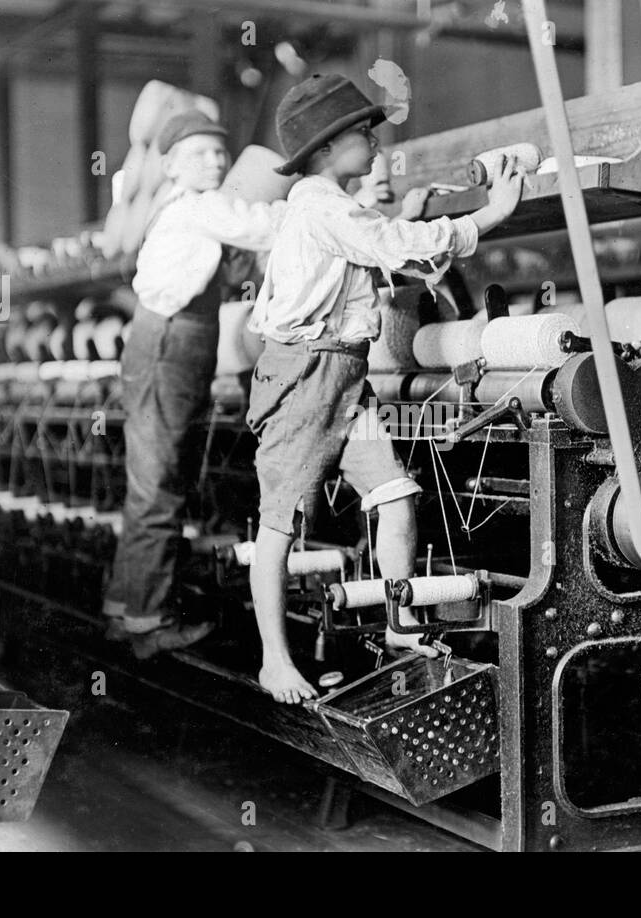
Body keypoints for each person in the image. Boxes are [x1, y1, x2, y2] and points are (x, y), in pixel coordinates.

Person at [246, 74, 523, 703]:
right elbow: (397, 245)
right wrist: (490, 215)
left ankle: (399, 622)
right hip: (304, 379)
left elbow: (392, 243)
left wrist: (434, 213)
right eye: (362, 133)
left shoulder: (336, 205)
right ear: (323, 150)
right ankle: (273, 660)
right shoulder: (321, 205)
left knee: (396, 494)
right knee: (280, 526)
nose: (375, 142)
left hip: (346, 376)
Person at [103, 110, 285, 659]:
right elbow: (264, 225)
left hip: (163, 344)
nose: (214, 161)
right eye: (198, 153)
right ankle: (150, 624)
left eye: (218, 151)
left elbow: (227, 266)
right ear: (169, 165)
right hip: (171, 348)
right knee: (159, 488)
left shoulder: (179, 207)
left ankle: (126, 608)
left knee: (152, 486)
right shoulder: (200, 206)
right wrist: (322, 204)